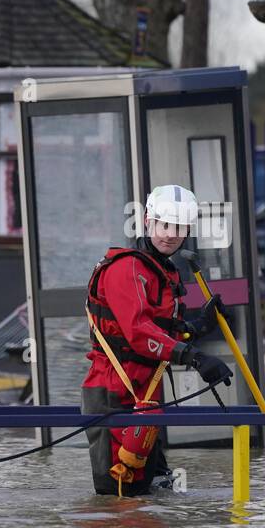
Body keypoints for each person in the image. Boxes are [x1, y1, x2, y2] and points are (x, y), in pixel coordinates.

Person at [82, 184, 232, 497]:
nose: (170, 234)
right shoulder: (127, 269)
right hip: (115, 392)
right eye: (165, 225)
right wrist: (194, 357)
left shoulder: (162, 271)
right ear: (149, 221)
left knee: (148, 496)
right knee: (119, 498)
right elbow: (138, 333)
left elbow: (161, 331)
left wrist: (197, 327)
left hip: (144, 395)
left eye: (178, 227)